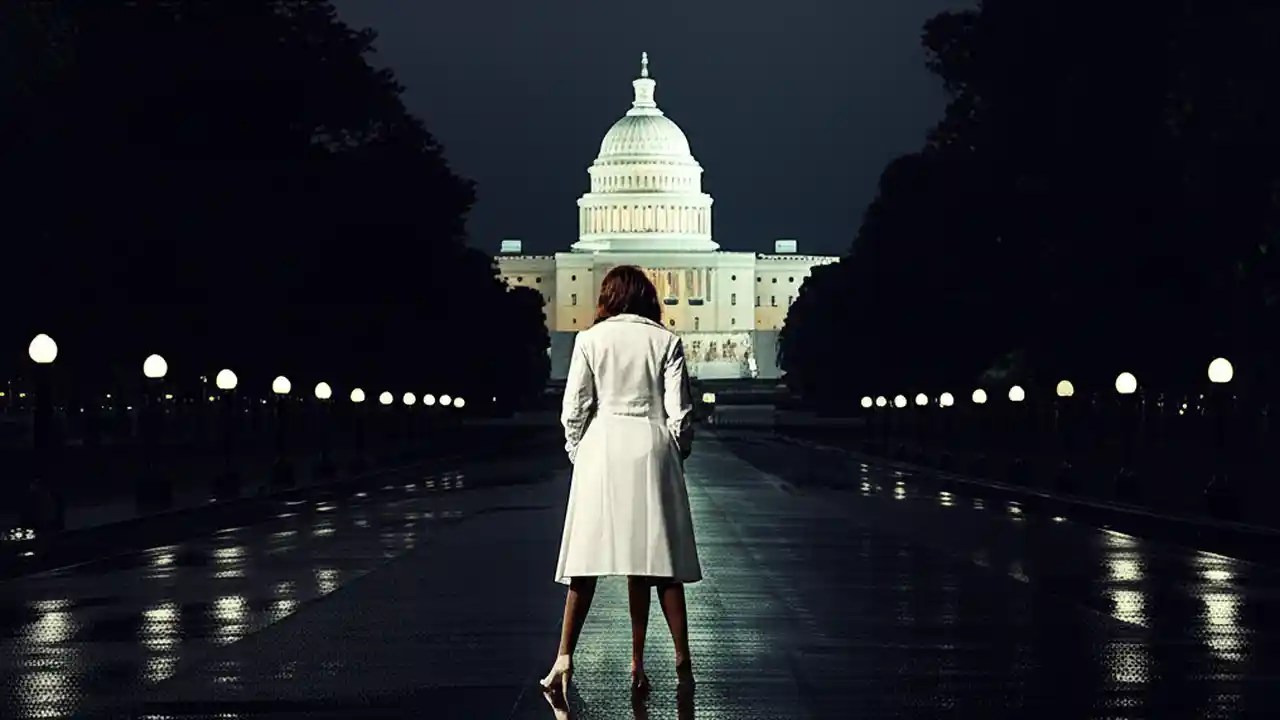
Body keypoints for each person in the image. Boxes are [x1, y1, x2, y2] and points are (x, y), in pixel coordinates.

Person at [540, 265, 701, 699]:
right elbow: (680, 411)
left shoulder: (590, 340)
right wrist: (675, 449)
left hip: (603, 447)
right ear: (648, 297)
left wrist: (580, 452)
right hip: (652, 445)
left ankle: (563, 658)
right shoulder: (666, 341)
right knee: (658, 563)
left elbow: (574, 408)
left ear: (608, 296)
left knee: (585, 562)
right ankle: (676, 658)